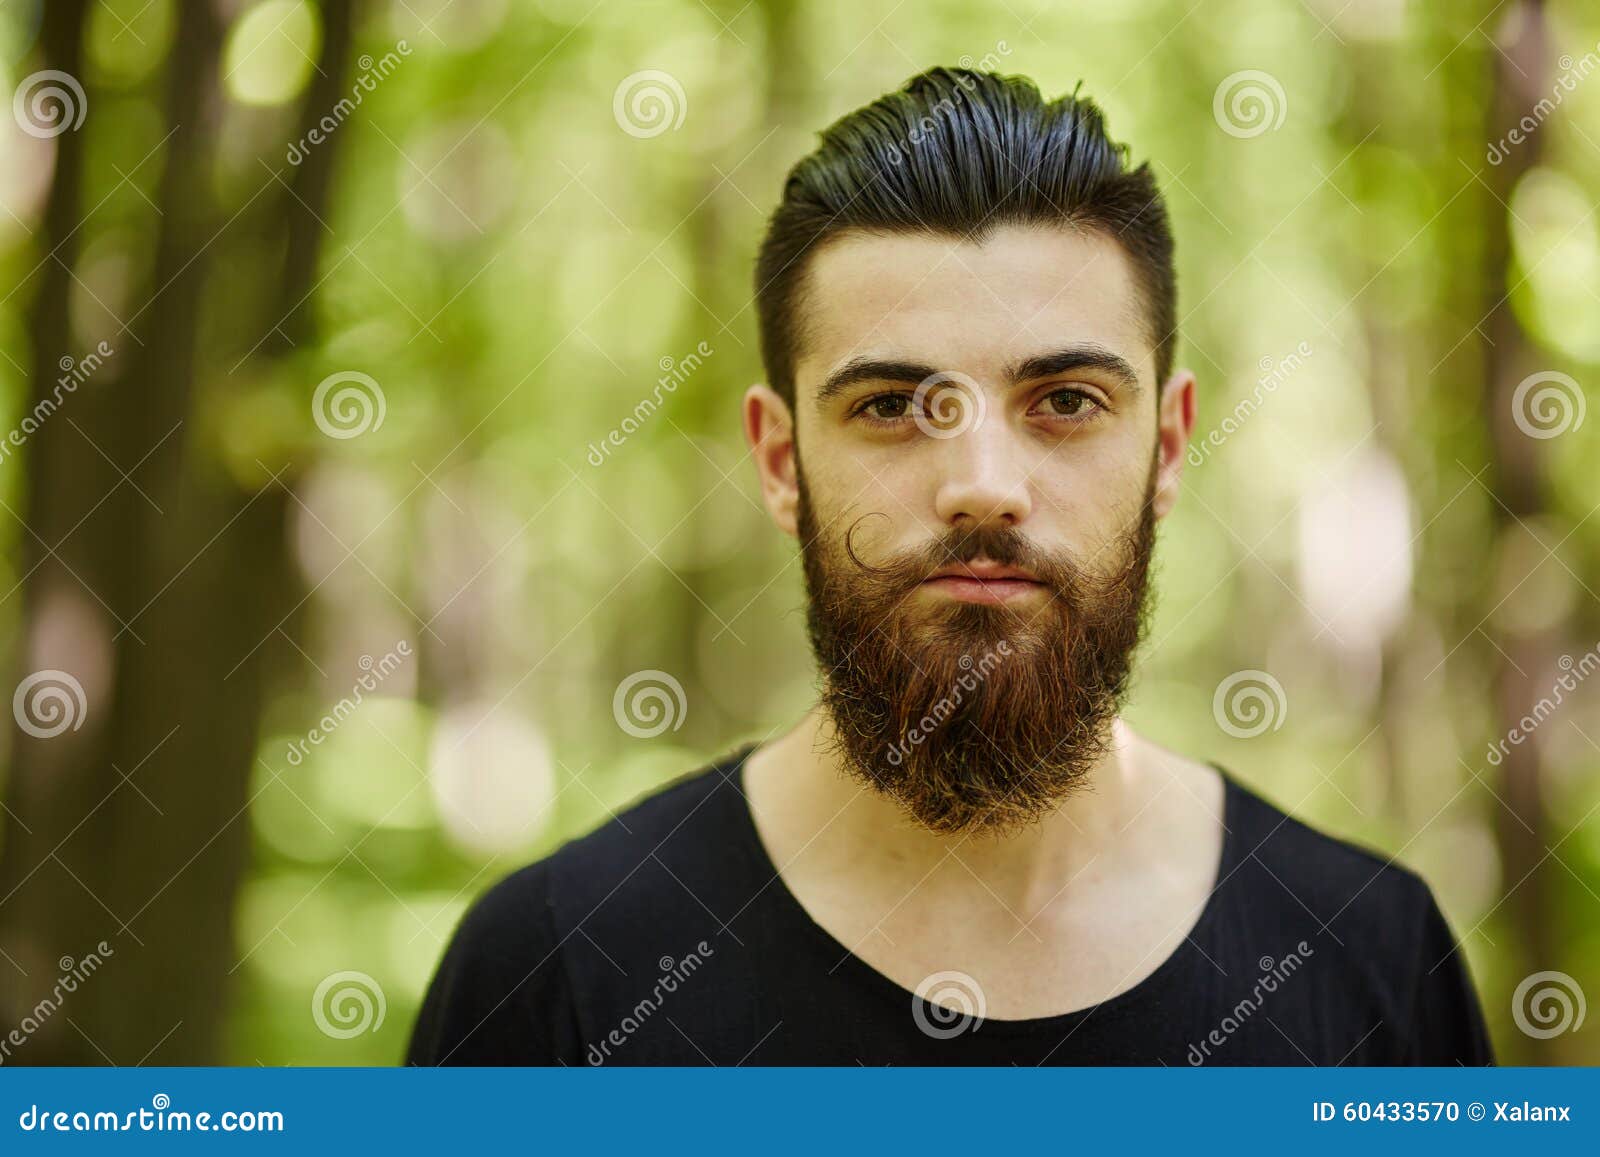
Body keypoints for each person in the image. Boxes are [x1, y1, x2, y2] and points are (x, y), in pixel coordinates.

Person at [407, 67, 1492, 1066]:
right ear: (782, 462)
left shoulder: (1371, 960)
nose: (982, 485)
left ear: (1165, 445)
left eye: (1064, 401)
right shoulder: (552, 970)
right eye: (889, 406)